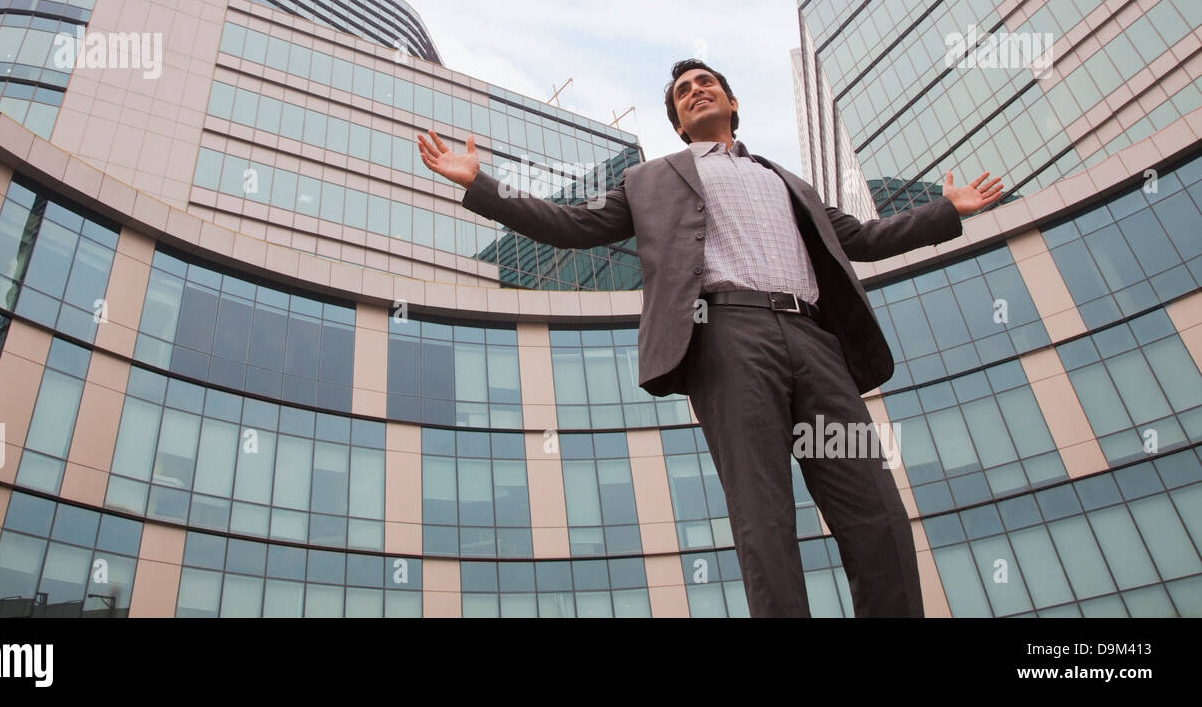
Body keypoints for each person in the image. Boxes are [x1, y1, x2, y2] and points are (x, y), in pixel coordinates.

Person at [417, 58, 1004, 617]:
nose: (696, 90)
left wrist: (943, 211)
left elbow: (858, 236)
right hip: (728, 336)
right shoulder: (647, 180)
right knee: (762, 514)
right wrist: (482, 187)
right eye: (683, 92)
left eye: (706, 82)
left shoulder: (786, 180)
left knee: (876, 511)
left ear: (732, 101)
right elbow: (573, 225)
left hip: (816, 342)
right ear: (677, 122)